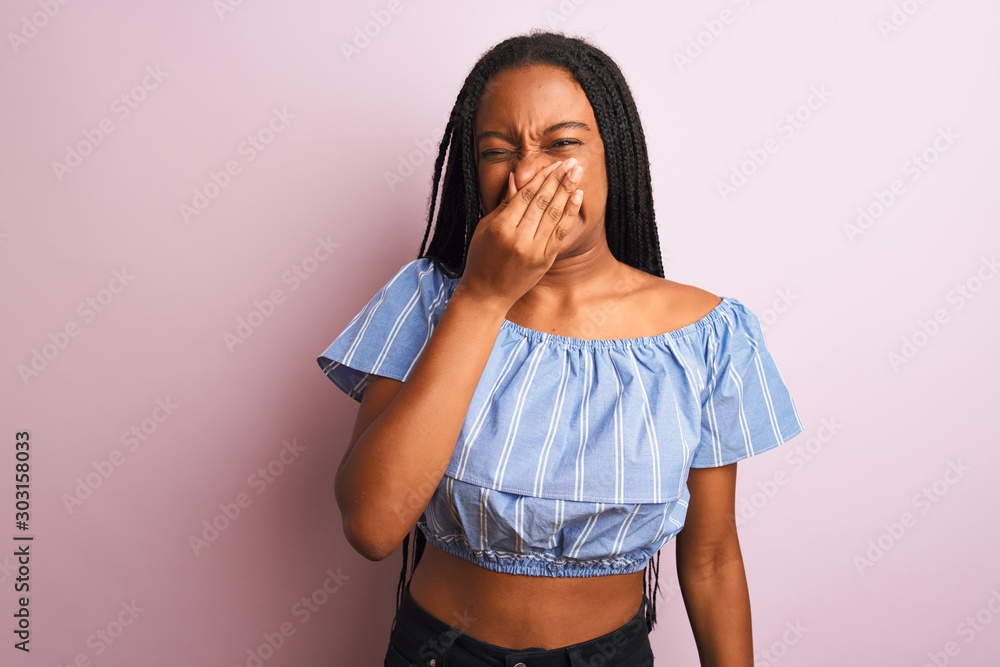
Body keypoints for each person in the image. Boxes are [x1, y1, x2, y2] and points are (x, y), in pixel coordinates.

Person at [317, 31, 804, 667]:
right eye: (497, 152)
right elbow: (373, 526)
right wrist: (483, 298)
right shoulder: (427, 299)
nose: (525, 175)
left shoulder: (709, 334)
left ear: (615, 157)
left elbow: (711, 560)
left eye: (563, 143)